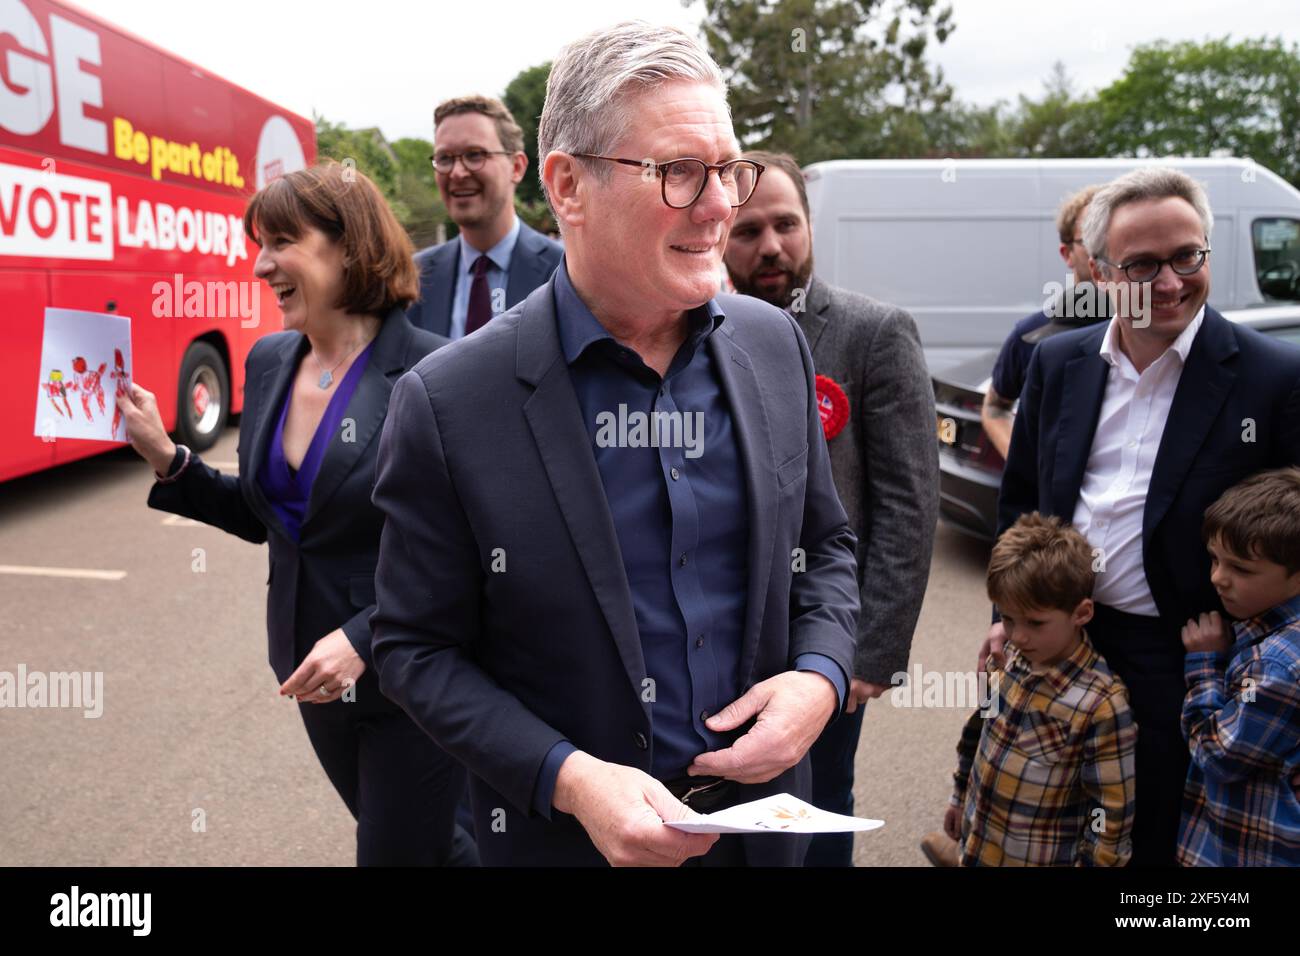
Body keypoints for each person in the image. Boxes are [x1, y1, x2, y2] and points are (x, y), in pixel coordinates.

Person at [369, 21, 859, 867]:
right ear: (567, 186)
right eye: (678, 172)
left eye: (728, 171)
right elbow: (415, 649)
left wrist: (821, 676)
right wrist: (568, 778)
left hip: (770, 840)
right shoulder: (448, 403)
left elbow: (827, 548)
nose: (720, 207)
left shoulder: (774, 344)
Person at [116, 163, 475, 866]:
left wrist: (364, 639)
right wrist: (167, 456)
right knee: (429, 843)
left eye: (282, 241)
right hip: (308, 672)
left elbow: (467, 553)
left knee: (398, 853)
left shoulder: (438, 375)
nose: (260, 265)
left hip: (411, 671)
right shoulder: (272, 358)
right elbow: (270, 517)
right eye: (258, 243)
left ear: (349, 247)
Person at [989, 166, 1300, 866]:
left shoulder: (1272, 376)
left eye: (1187, 256)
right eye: (1142, 264)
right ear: (1097, 271)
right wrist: (1008, 618)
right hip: (1068, 640)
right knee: (1054, 822)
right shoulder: (1058, 362)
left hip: (1189, 655)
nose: (1169, 282)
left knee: (1154, 834)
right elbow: (1025, 505)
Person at [723, 149, 937, 867]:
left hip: (824, 645)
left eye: (786, 224)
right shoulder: (696, 329)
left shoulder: (873, 333)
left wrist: (872, 650)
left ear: (810, 227)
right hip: (717, 640)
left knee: (815, 810)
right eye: (747, 230)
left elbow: (909, 505)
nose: (771, 245)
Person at [948, 513, 1136, 866]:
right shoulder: (1007, 661)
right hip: (977, 849)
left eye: (1035, 623)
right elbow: (976, 736)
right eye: (1007, 618)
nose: (1017, 636)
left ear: (1081, 613)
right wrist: (959, 797)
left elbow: (1110, 817)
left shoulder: (1101, 706)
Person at [1178, 467, 1300, 866]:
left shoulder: (1276, 665)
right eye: (1214, 559)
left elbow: (1218, 754)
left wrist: (1204, 664)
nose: (1218, 578)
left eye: (1241, 570)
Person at [406, 95, 563, 338]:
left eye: (475, 155)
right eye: (445, 158)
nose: (457, 173)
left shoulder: (563, 272)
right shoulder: (413, 278)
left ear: (517, 167)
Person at [981, 185, 1109, 459]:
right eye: (1090, 238)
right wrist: (1027, 472)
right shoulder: (1031, 335)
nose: (1103, 249)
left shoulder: (1150, 326)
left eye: (1110, 236)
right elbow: (994, 408)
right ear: (1067, 254)